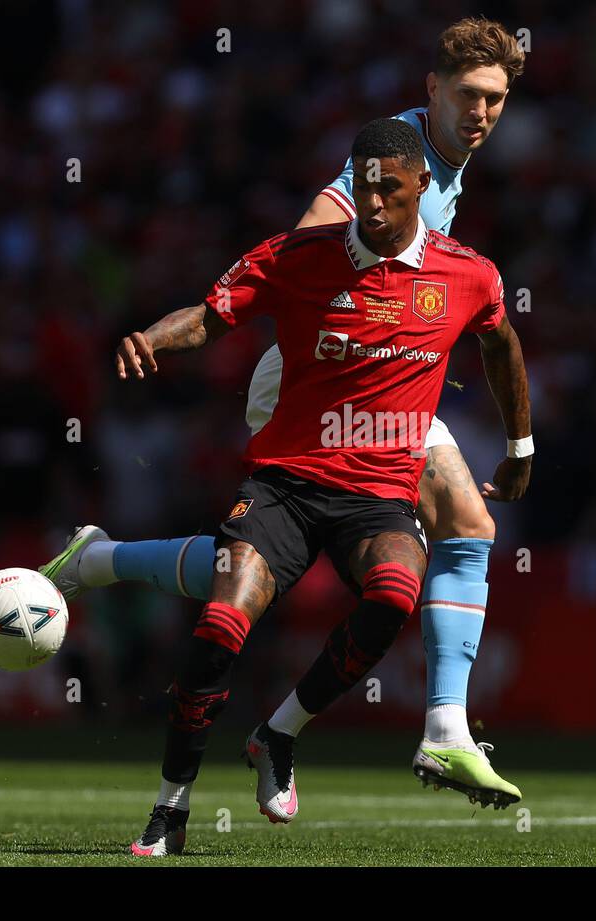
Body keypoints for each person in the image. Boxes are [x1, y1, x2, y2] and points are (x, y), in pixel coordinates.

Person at [41, 17, 529, 806]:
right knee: (459, 530)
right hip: (331, 371)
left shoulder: (444, 159)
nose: (482, 113)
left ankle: (101, 560)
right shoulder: (389, 163)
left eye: (497, 100)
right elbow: (317, 233)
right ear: (432, 90)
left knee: (267, 559)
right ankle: (441, 732)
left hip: (374, 370)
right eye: (470, 96)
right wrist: (366, 324)